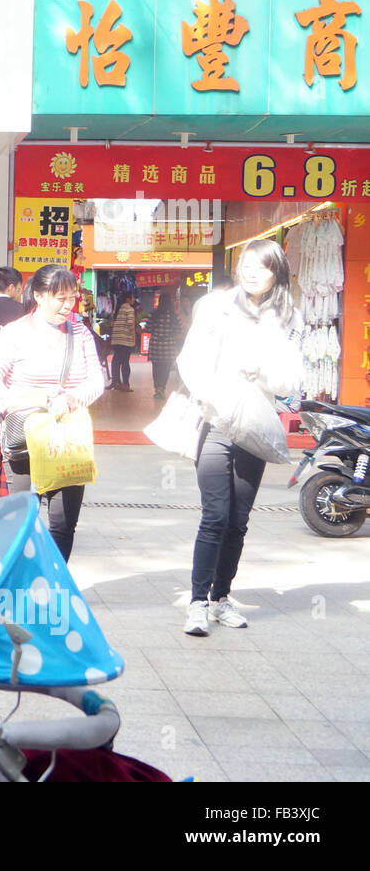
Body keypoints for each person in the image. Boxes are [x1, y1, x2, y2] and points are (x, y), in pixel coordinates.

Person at [178, 240, 302, 636]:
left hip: (255, 427)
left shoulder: (287, 316)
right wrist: (208, 393)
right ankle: (197, 602)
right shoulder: (216, 307)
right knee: (214, 516)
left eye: (262, 267)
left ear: (276, 274)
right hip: (214, 421)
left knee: (238, 521)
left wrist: (261, 372)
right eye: (247, 264)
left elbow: (292, 381)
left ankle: (221, 598)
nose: (252, 272)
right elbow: (190, 359)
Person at [0, 264, 105, 562]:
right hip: (24, 437)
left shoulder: (80, 332)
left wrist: (72, 397)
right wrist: (13, 403)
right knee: (23, 521)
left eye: (72, 297)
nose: (68, 305)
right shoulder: (15, 333)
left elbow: (97, 380)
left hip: (66, 437)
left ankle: (54, 584)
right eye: (60, 297)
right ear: (39, 296)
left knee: (62, 524)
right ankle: (23, 584)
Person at [148, 288, 188, 400]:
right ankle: (162, 388)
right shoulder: (173, 316)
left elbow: (148, 328)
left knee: (156, 367)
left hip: (155, 344)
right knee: (166, 367)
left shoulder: (154, 314)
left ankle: (157, 388)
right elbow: (179, 330)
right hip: (168, 345)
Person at [108, 290, 137, 393]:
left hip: (116, 340)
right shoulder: (129, 309)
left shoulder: (119, 309)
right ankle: (126, 385)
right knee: (125, 362)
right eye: (132, 297)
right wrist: (133, 337)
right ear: (128, 299)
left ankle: (115, 382)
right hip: (125, 341)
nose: (134, 299)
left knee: (116, 361)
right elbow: (130, 324)